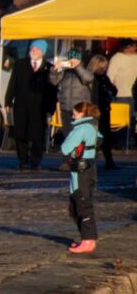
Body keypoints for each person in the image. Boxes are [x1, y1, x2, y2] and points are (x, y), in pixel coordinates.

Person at [6, 41, 54, 171]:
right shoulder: (20, 64)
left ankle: (35, 161)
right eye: (32, 48)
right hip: (21, 105)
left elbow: (52, 90)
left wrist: (51, 107)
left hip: (39, 107)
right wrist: (8, 101)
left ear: (42, 52)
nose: (33, 50)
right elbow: (12, 84)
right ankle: (22, 160)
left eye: (37, 49)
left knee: (38, 135)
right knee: (20, 134)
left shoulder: (49, 67)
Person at [62, 101, 101, 255]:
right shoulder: (94, 126)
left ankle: (87, 241)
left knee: (80, 205)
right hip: (90, 168)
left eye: (75, 113)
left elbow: (65, 148)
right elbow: (100, 140)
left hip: (80, 172)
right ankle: (90, 239)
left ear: (83, 114)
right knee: (85, 203)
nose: (73, 116)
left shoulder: (80, 129)